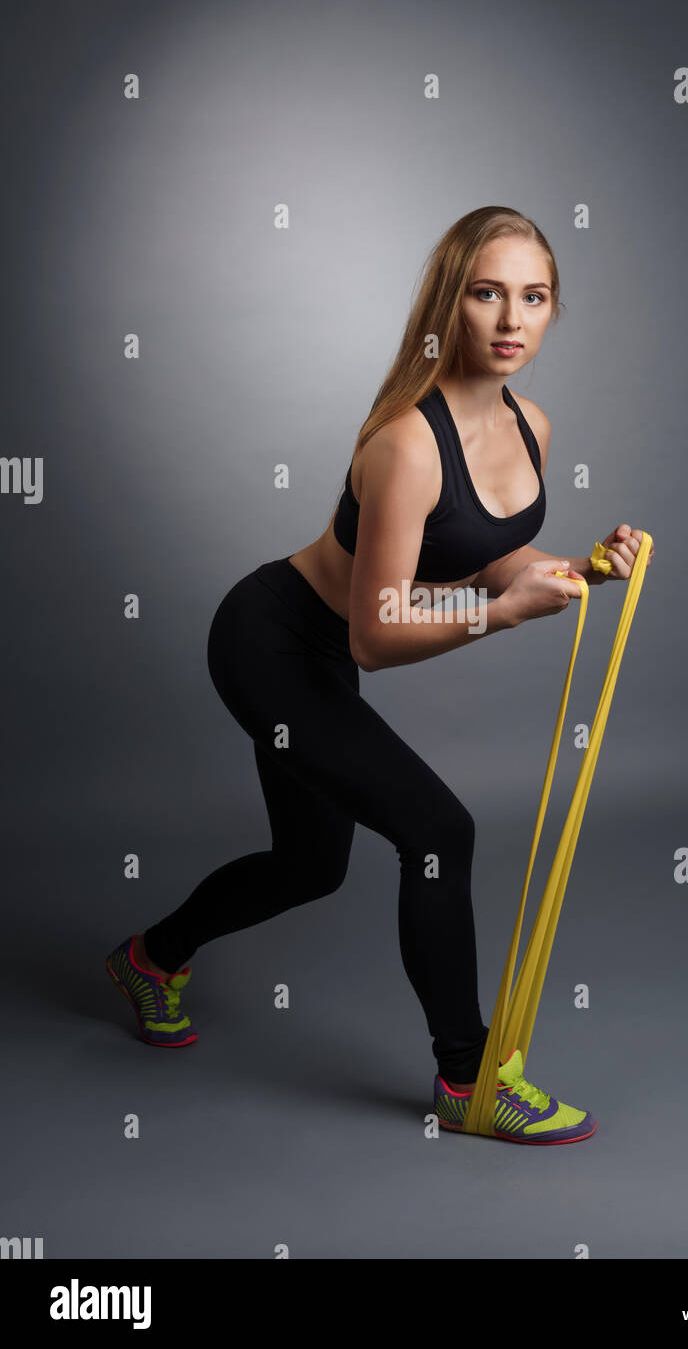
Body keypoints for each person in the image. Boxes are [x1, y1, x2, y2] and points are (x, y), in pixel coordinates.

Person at [106, 205, 653, 1144]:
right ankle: (464, 1079)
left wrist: (574, 570)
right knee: (438, 828)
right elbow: (374, 632)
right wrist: (500, 615)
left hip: (328, 648)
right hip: (273, 643)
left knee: (308, 866)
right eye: (487, 294)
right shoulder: (404, 442)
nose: (510, 319)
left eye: (534, 296)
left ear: (554, 309)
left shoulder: (532, 426)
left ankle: (150, 960)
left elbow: (480, 555)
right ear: (453, 302)